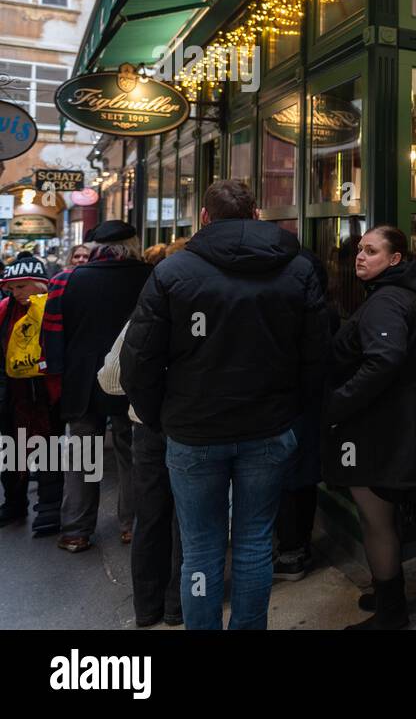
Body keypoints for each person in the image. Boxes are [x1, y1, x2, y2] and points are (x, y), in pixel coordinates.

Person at [121, 180, 327, 630]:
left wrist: (160, 417)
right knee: (254, 543)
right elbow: (316, 354)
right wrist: (293, 411)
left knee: (201, 548)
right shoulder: (297, 269)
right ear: (256, 214)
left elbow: (137, 361)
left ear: (204, 218)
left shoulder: (174, 272)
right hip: (268, 428)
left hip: (194, 431)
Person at [323, 226, 416, 630]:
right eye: (359, 249)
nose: (360, 256)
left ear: (394, 259)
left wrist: (335, 404)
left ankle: (392, 613)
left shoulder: (387, 301)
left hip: (382, 427)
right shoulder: (400, 293)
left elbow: (384, 361)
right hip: (398, 424)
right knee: (384, 516)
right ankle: (387, 590)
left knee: (376, 520)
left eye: (371, 251)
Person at [42, 221, 151, 553]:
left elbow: (52, 336)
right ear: (133, 244)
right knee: (131, 453)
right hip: (132, 378)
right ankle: (132, 525)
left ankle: (76, 529)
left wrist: (56, 379)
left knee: (82, 454)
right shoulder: (151, 278)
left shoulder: (67, 280)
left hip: (82, 380)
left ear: (94, 248)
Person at [98, 237, 186, 628]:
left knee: (152, 515)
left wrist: (149, 398)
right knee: (190, 519)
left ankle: (148, 607)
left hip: (149, 426)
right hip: (195, 428)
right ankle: (178, 604)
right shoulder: (221, 307)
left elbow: (111, 379)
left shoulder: (149, 310)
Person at [272, 250, 336, 582]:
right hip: (304, 408)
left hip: (290, 409)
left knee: (290, 479)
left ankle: (291, 550)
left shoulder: (287, 315)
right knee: (298, 479)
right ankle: (294, 548)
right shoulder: (326, 313)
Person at [0, 254, 61, 535]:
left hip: (48, 394)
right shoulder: (4, 310)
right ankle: (14, 503)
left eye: (20, 287)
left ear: (38, 283)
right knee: (10, 451)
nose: (15, 293)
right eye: (11, 288)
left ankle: (49, 510)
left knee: (48, 450)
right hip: (14, 395)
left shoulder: (54, 306)